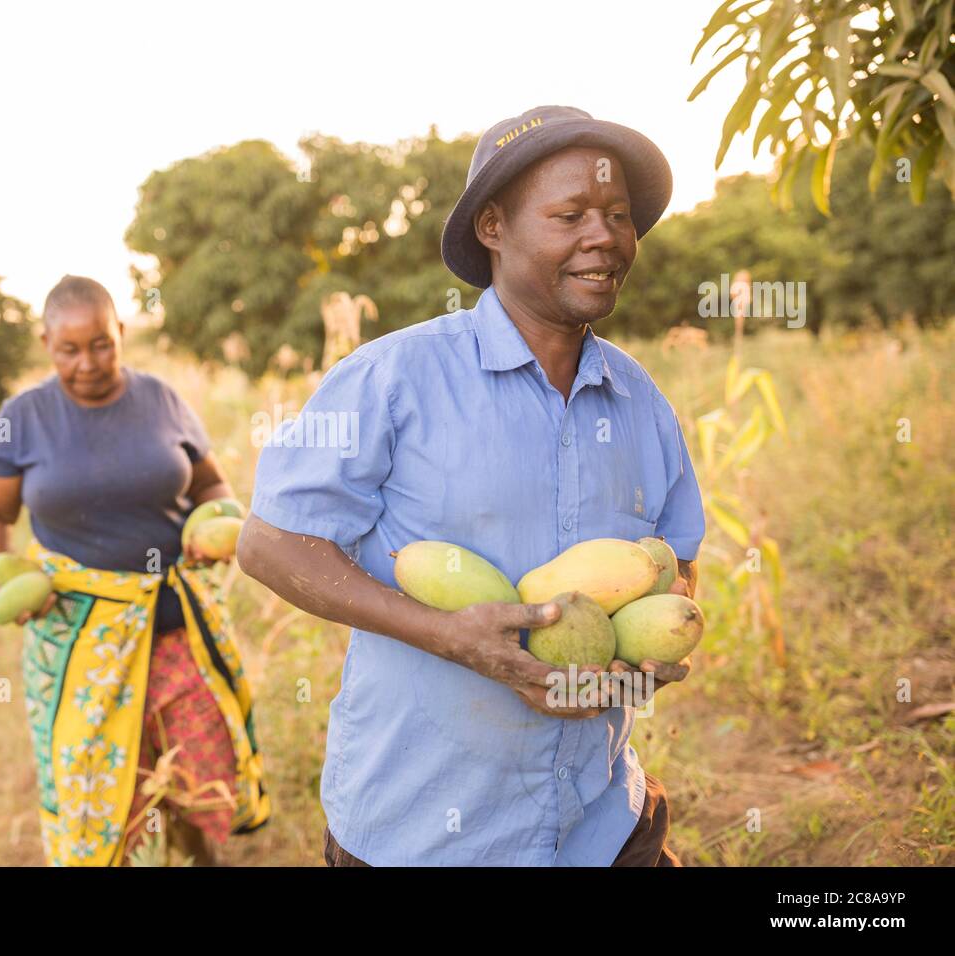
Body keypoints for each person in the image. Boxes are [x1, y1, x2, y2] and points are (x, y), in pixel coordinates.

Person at [238, 106, 704, 866]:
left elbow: (675, 562)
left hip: (602, 826)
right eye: (570, 214)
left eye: (618, 215)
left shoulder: (641, 400)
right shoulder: (392, 379)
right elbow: (269, 544)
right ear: (493, 227)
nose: (605, 237)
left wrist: (640, 663)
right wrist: (447, 636)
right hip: (421, 832)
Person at [0, 275, 270, 866]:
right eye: (69, 349)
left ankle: (198, 857)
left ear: (121, 333)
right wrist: (2, 584)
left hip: (176, 623)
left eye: (101, 344)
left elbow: (208, 482)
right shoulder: (22, 420)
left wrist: (217, 523)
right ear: (46, 342)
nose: (87, 363)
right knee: (105, 780)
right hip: (79, 634)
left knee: (193, 765)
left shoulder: (161, 400)